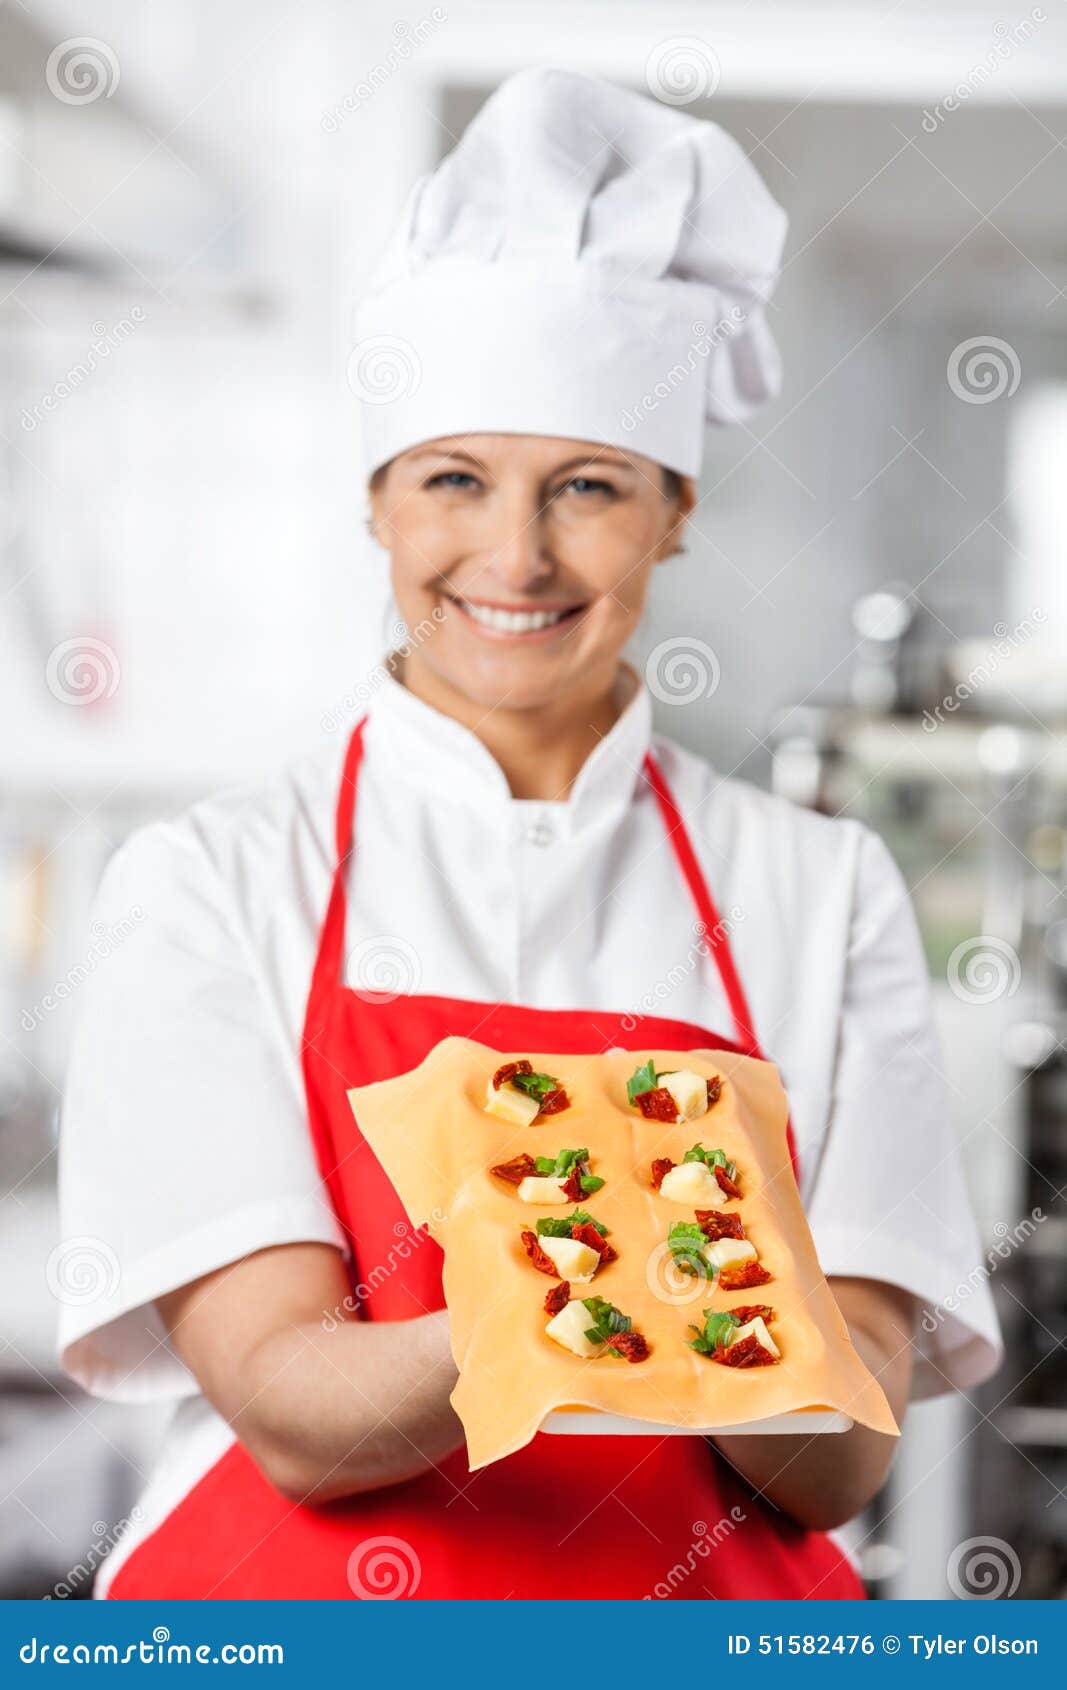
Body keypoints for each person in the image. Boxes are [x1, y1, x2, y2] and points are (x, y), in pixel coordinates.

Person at [57, 66, 1001, 1600]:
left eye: (588, 487)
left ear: (677, 507)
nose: (517, 554)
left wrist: (602, 1270)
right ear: (376, 503)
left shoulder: (820, 888)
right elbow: (296, 1414)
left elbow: (844, 1448)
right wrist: (652, 1264)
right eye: (453, 480)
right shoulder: (214, 884)